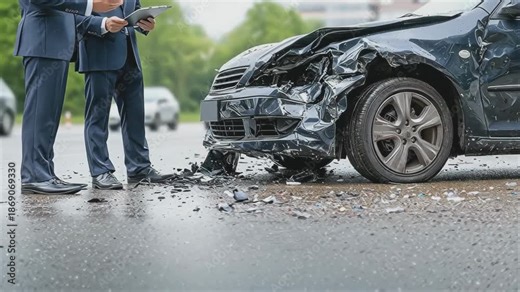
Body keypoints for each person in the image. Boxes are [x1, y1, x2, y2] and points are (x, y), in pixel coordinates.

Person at [14, 0, 124, 195]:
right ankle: (34, 176)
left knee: (48, 115)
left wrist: (102, 23)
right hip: (43, 40)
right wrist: (90, 5)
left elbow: (65, 11)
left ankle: (44, 173)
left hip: (55, 44)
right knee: (40, 110)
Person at [75, 0, 173, 190]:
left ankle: (139, 168)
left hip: (130, 57)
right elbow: (72, 17)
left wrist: (147, 25)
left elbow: (134, 11)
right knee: (97, 117)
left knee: (135, 116)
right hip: (98, 55)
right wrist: (102, 25)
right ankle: (100, 171)